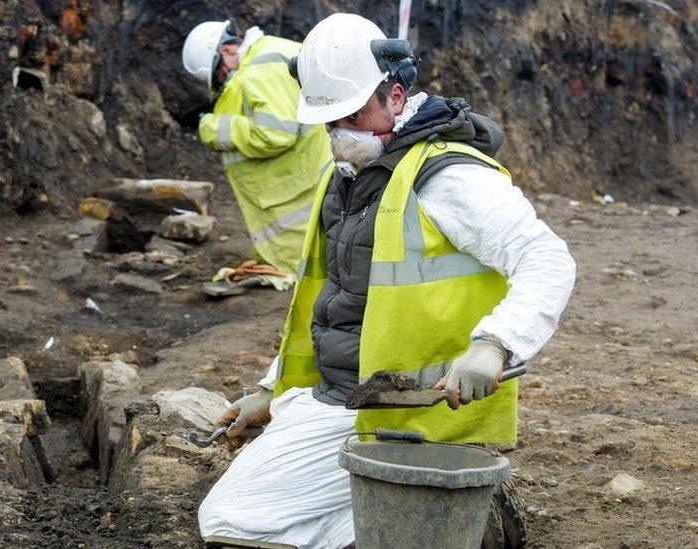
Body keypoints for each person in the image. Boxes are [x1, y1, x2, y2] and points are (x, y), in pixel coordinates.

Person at [198, 13, 576, 549]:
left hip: (407, 410)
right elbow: (334, 302)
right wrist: (271, 387)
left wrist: (495, 345)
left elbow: (547, 258)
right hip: (341, 396)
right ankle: (448, 516)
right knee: (234, 516)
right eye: (328, 121)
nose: (339, 132)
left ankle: (442, 516)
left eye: (351, 115)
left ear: (395, 97)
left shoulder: (447, 177)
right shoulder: (347, 178)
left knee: (231, 520)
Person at [182, 20, 331, 277]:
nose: (223, 78)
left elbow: (275, 134)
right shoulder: (271, 50)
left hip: (302, 175)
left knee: (305, 264)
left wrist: (213, 128)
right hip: (316, 162)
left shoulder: (258, 69)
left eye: (219, 72)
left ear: (226, 50)